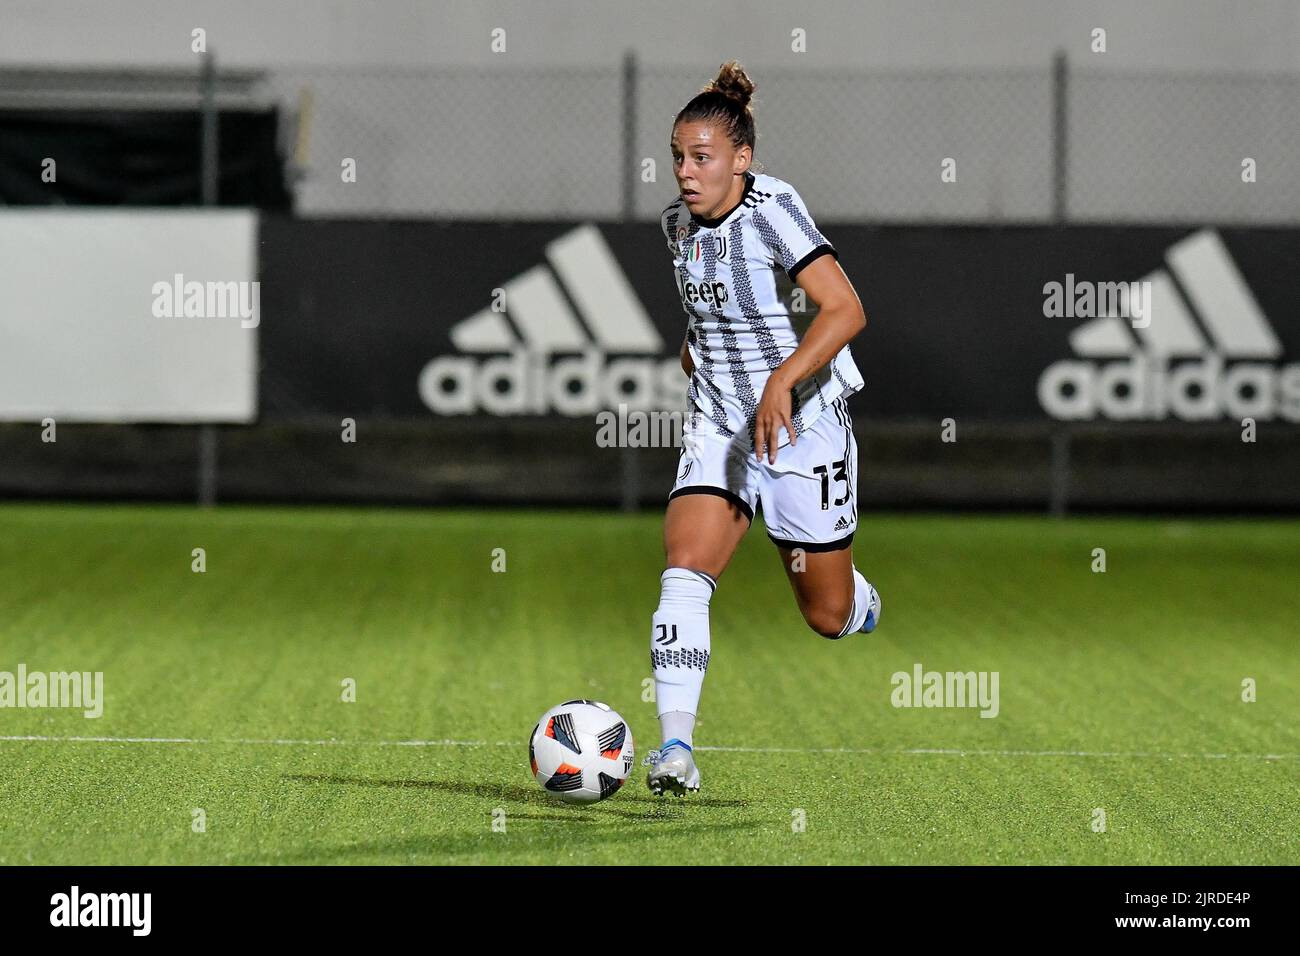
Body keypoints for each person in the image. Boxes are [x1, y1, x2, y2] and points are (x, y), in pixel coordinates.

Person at [645, 60, 881, 797]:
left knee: (827, 614)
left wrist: (781, 379)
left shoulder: (774, 209)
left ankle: (862, 599)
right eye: (678, 156)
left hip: (803, 426)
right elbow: (707, 308)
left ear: (741, 159)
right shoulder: (676, 223)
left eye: (702, 157)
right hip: (721, 424)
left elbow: (845, 310)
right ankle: (675, 750)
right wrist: (700, 356)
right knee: (685, 569)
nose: (686, 171)